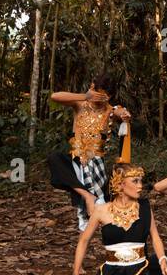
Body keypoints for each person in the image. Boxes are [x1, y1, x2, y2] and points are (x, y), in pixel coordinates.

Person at [66, 163, 167, 275]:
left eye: (141, 181)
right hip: (112, 271)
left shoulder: (144, 207)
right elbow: (83, 241)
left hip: (140, 269)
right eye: (135, 181)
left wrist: (162, 260)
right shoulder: (101, 211)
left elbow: (155, 237)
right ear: (120, 184)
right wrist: (75, 274)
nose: (140, 186)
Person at [48, 75, 131, 230]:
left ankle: (94, 206)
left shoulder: (109, 110)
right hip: (76, 160)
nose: (96, 98)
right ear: (91, 87)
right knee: (55, 158)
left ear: (109, 96)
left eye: (101, 95)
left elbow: (119, 112)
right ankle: (87, 196)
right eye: (95, 92)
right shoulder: (80, 103)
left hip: (96, 164)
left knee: (104, 174)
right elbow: (54, 96)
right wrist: (85, 96)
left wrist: (123, 114)